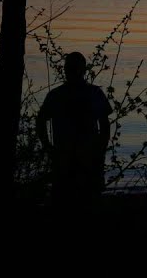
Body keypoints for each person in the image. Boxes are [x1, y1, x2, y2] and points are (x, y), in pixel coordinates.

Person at [36, 52, 112, 207]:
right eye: (70, 68)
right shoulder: (58, 95)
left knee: (85, 201)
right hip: (65, 157)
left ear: (83, 70)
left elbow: (105, 125)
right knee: (67, 201)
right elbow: (40, 121)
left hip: (86, 157)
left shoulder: (93, 93)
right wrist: (48, 147)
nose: (72, 71)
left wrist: (100, 150)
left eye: (75, 68)